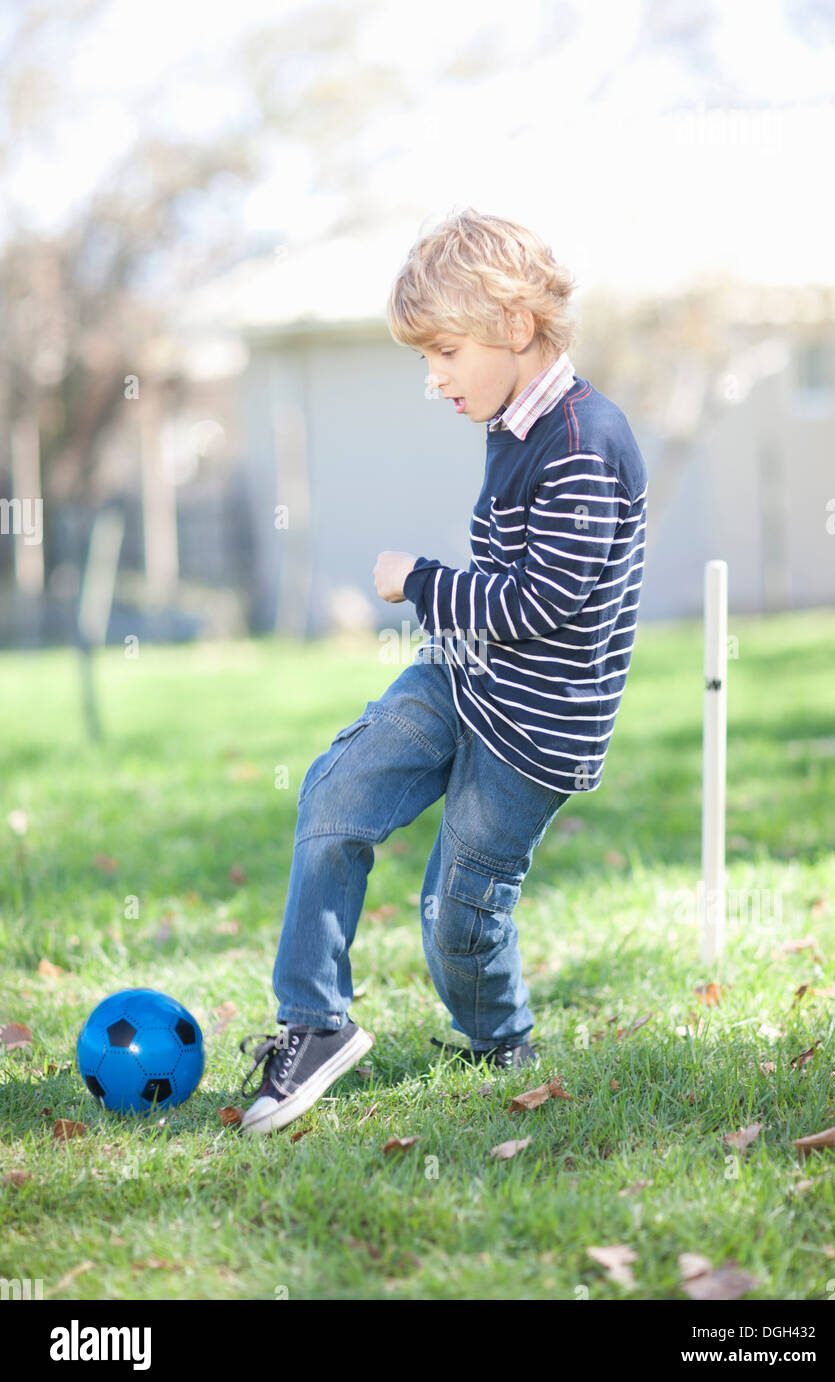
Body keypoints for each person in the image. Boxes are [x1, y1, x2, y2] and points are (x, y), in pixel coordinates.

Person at [238, 206, 648, 1135]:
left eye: (444, 353)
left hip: (535, 730)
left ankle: (501, 1039)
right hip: (461, 678)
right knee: (338, 794)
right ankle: (313, 1023)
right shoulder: (512, 416)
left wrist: (421, 581)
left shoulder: (585, 444)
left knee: (454, 913)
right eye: (425, 360)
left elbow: (540, 605)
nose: (434, 380)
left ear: (516, 326)